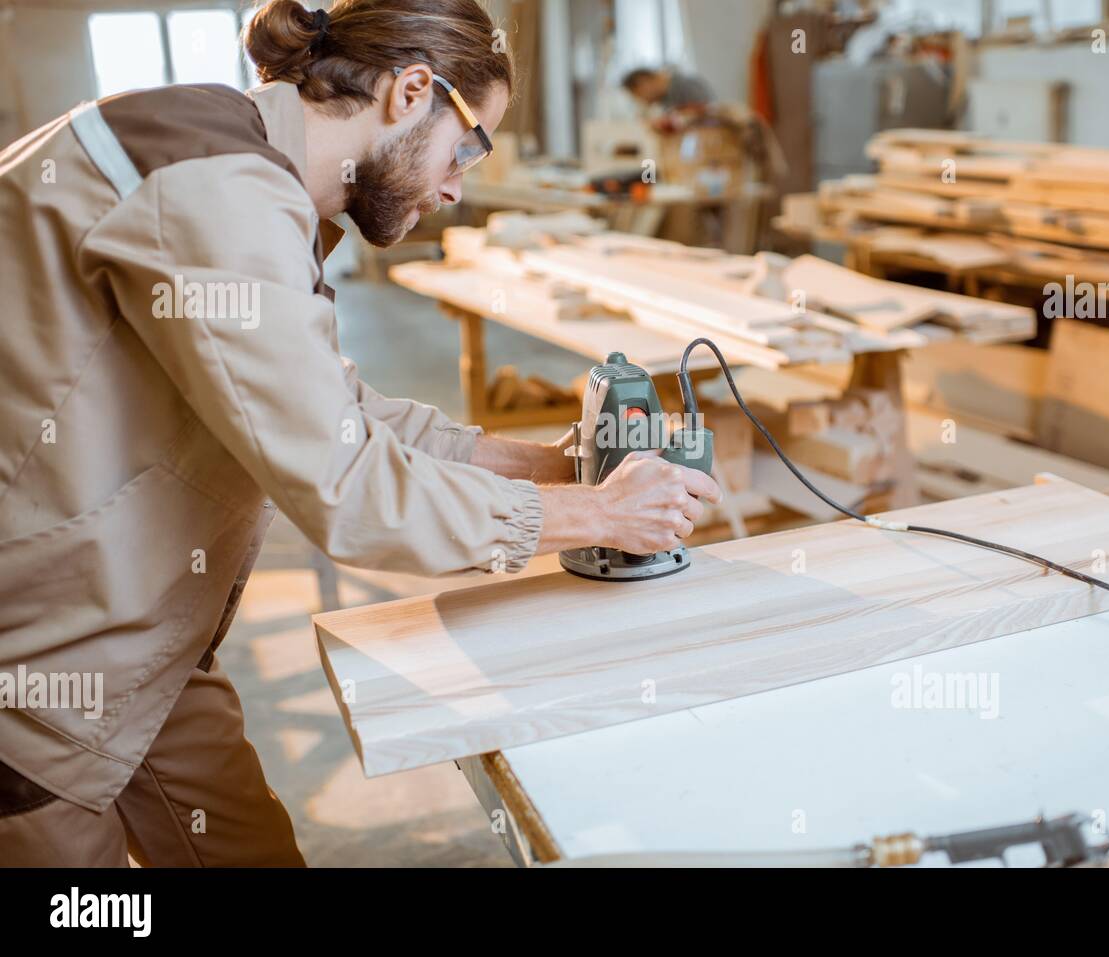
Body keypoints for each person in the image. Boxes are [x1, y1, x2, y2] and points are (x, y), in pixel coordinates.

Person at [0, 0, 719, 867]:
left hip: (144, 645)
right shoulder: (212, 183)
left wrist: (562, 466)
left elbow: (344, 411)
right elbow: (349, 485)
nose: (457, 187)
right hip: (34, 689)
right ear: (412, 90)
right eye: (467, 147)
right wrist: (597, 519)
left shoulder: (241, 170)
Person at [621, 66, 714, 111]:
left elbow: (708, 110)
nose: (641, 100)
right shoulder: (665, 100)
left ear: (644, 83)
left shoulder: (686, 85)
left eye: (637, 94)